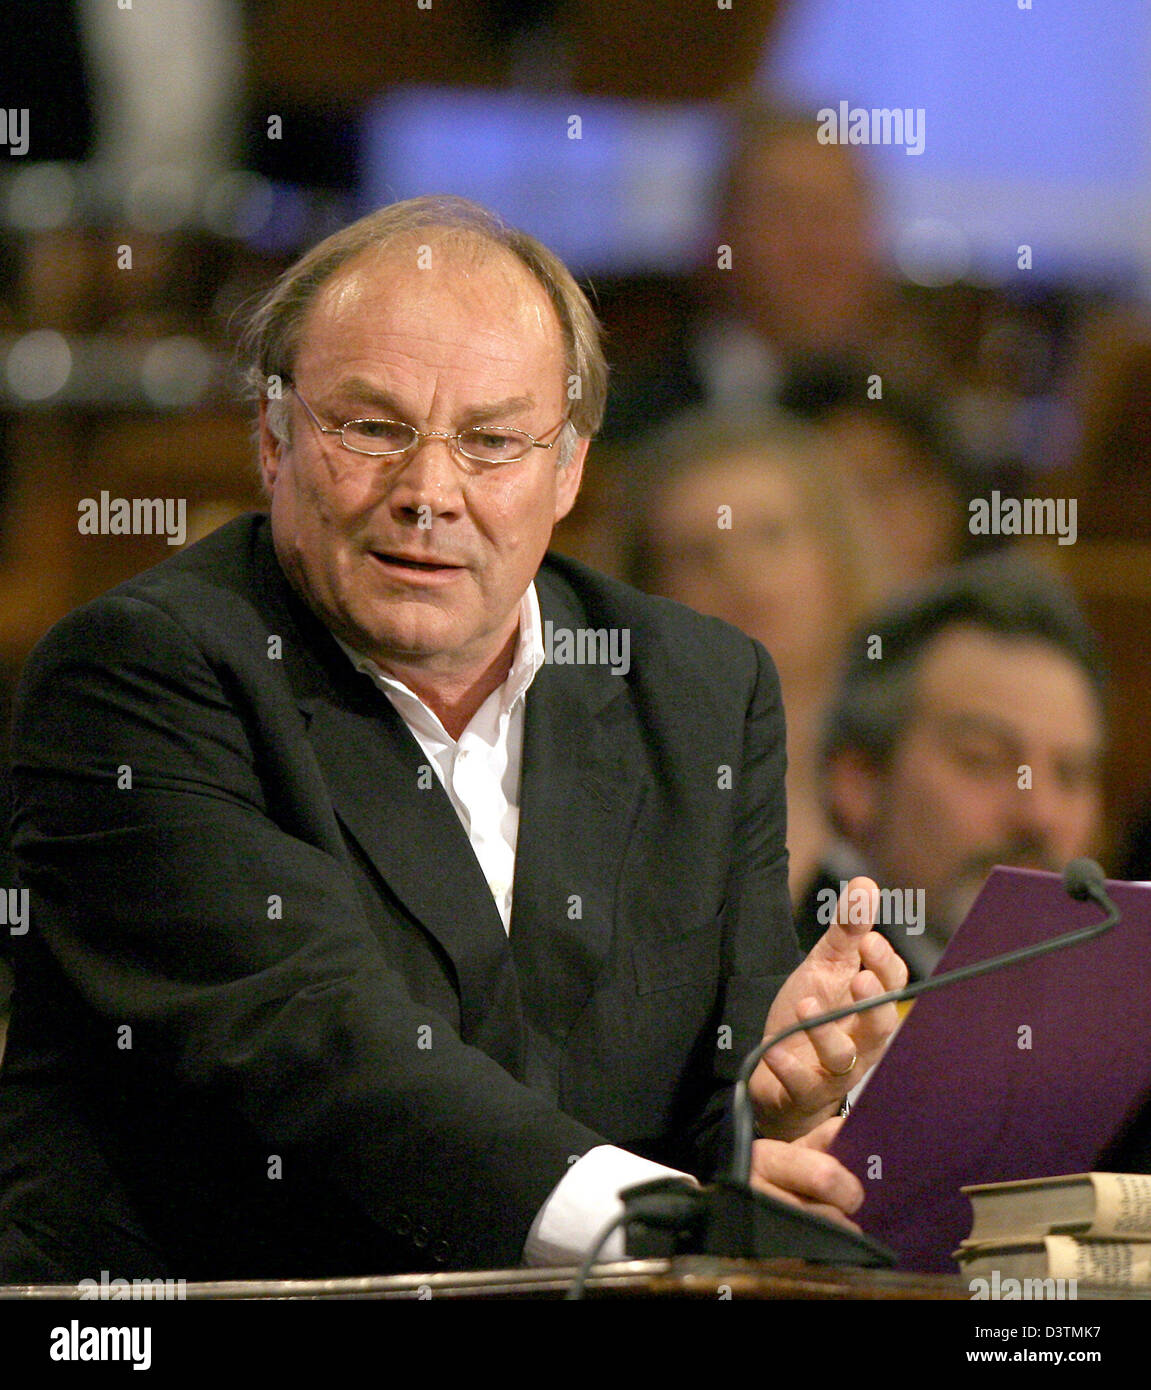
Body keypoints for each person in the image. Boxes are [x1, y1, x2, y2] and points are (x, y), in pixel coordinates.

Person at [0, 196, 905, 1283]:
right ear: (273, 439)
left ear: (567, 469)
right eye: (374, 428)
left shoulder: (698, 690)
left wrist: (785, 1102)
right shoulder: (140, 676)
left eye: (490, 441)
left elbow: (713, 1122)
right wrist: (667, 1221)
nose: (428, 493)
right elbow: (324, 1050)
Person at [795, 553, 1107, 979]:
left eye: (1070, 773)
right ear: (861, 781)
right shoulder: (777, 1007)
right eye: (983, 760)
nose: (1039, 815)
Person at [627, 411, 887, 903]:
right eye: (699, 554)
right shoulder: (620, 775)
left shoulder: (915, 734)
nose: (742, 572)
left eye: (771, 534)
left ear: (837, 551)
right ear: (647, 590)